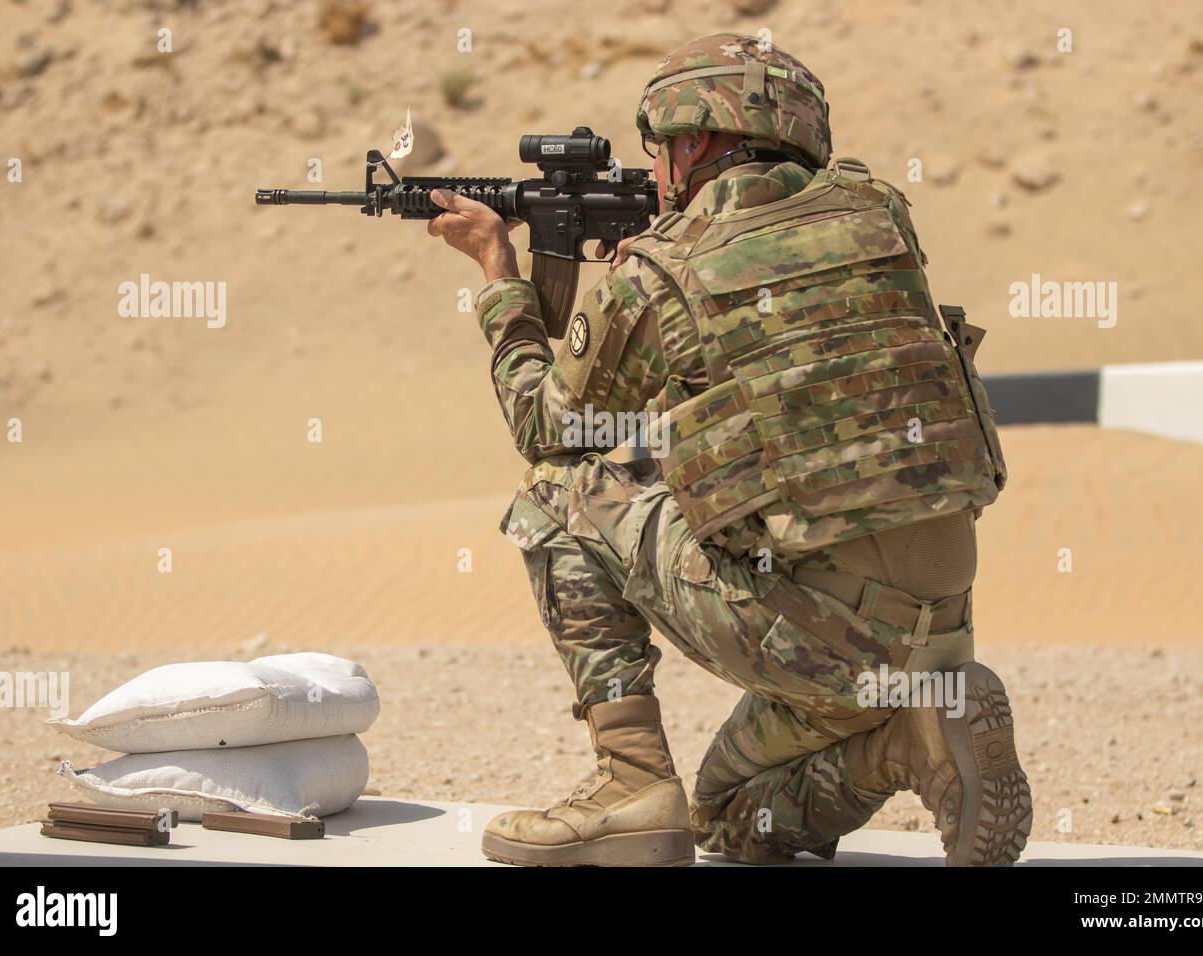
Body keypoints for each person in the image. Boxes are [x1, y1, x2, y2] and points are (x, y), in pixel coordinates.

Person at [426, 33, 1032, 867]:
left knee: (558, 491)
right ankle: (915, 738)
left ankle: (629, 782)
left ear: (695, 143)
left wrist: (501, 275)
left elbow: (546, 424)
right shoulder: (881, 218)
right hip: (937, 629)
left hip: (815, 637)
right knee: (736, 819)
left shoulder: (666, 264)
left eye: (664, 151)